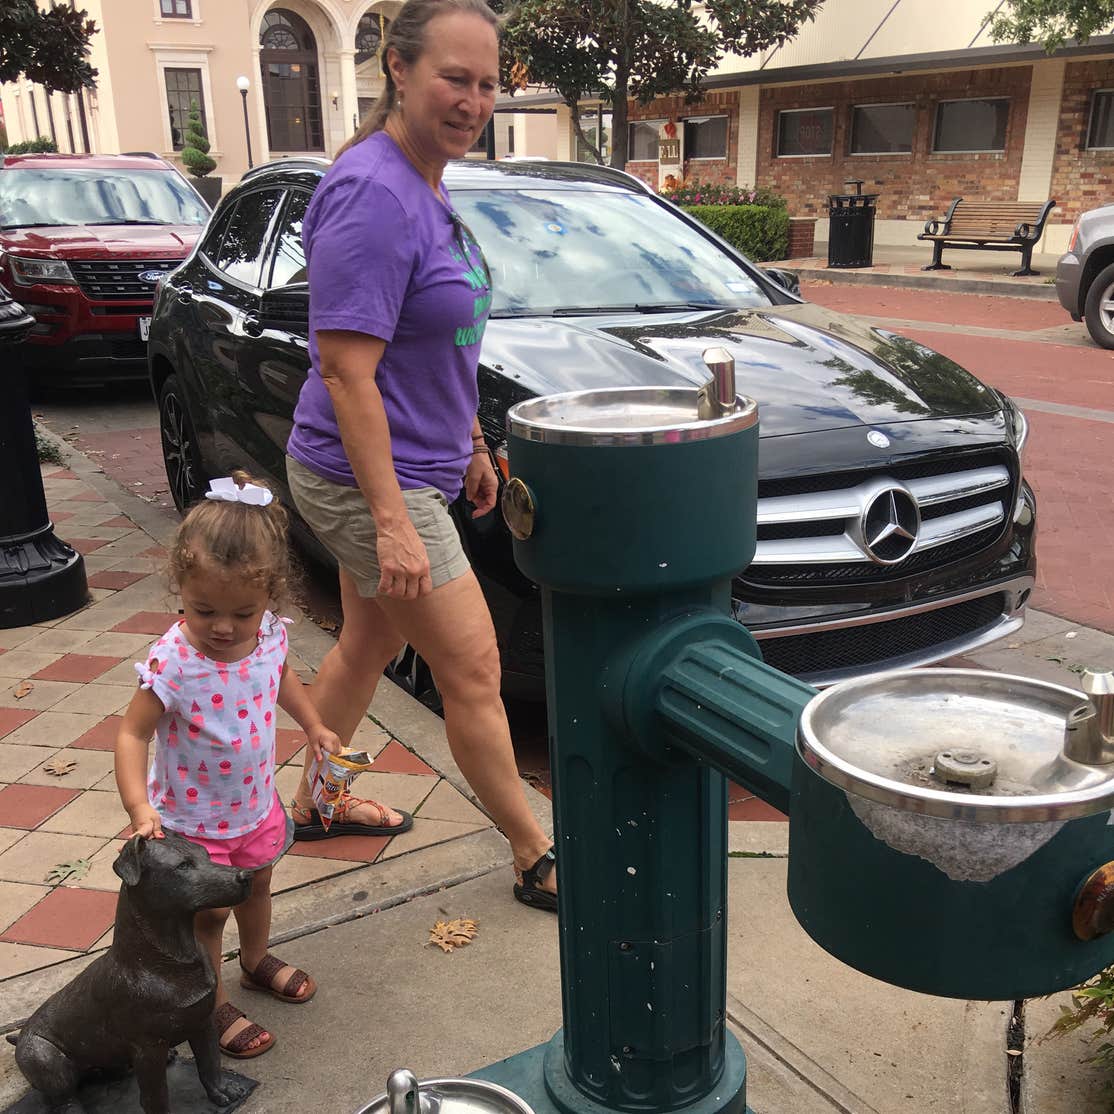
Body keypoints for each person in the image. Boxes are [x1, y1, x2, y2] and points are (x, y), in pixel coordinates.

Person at [283, 0, 557, 911]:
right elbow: (347, 372)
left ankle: (314, 805)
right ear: (398, 69)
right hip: (365, 478)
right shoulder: (373, 191)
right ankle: (532, 851)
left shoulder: (426, 180)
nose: (473, 99)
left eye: (487, 83)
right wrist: (395, 522)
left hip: (415, 468)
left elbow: (439, 344)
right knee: (474, 667)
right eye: (454, 77)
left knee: (366, 643)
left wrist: (472, 440)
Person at [115, 472, 344, 1059]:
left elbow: (282, 678)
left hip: (253, 806)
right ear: (180, 587)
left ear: (270, 597)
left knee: (259, 884)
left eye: (241, 613)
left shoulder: (267, 635)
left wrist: (314, 724)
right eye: (203, 609)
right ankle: (211, 1003)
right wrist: (140, 809)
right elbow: (131, 733)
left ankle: (256, 959)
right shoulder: (175, 660)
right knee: (210, 913)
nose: (222, 626)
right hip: (191, 822)